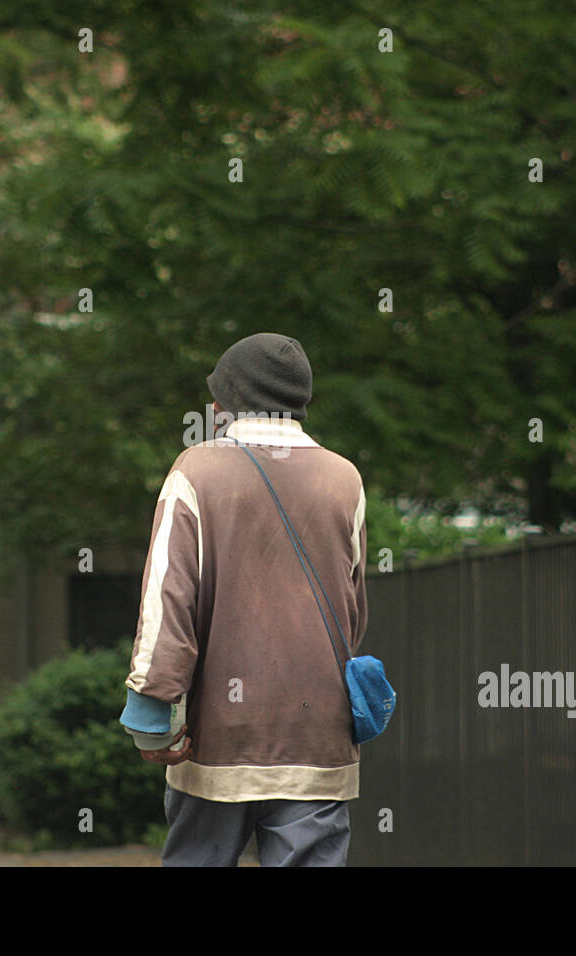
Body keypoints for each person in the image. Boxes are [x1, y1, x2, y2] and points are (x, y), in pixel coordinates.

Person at [119, 332, 368, 866]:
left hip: (218, 741)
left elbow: (168, 601)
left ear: (224, 404)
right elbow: (353, 608)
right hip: (317, 741)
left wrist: (151, 713)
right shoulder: (344, 479)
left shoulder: (197, 470)